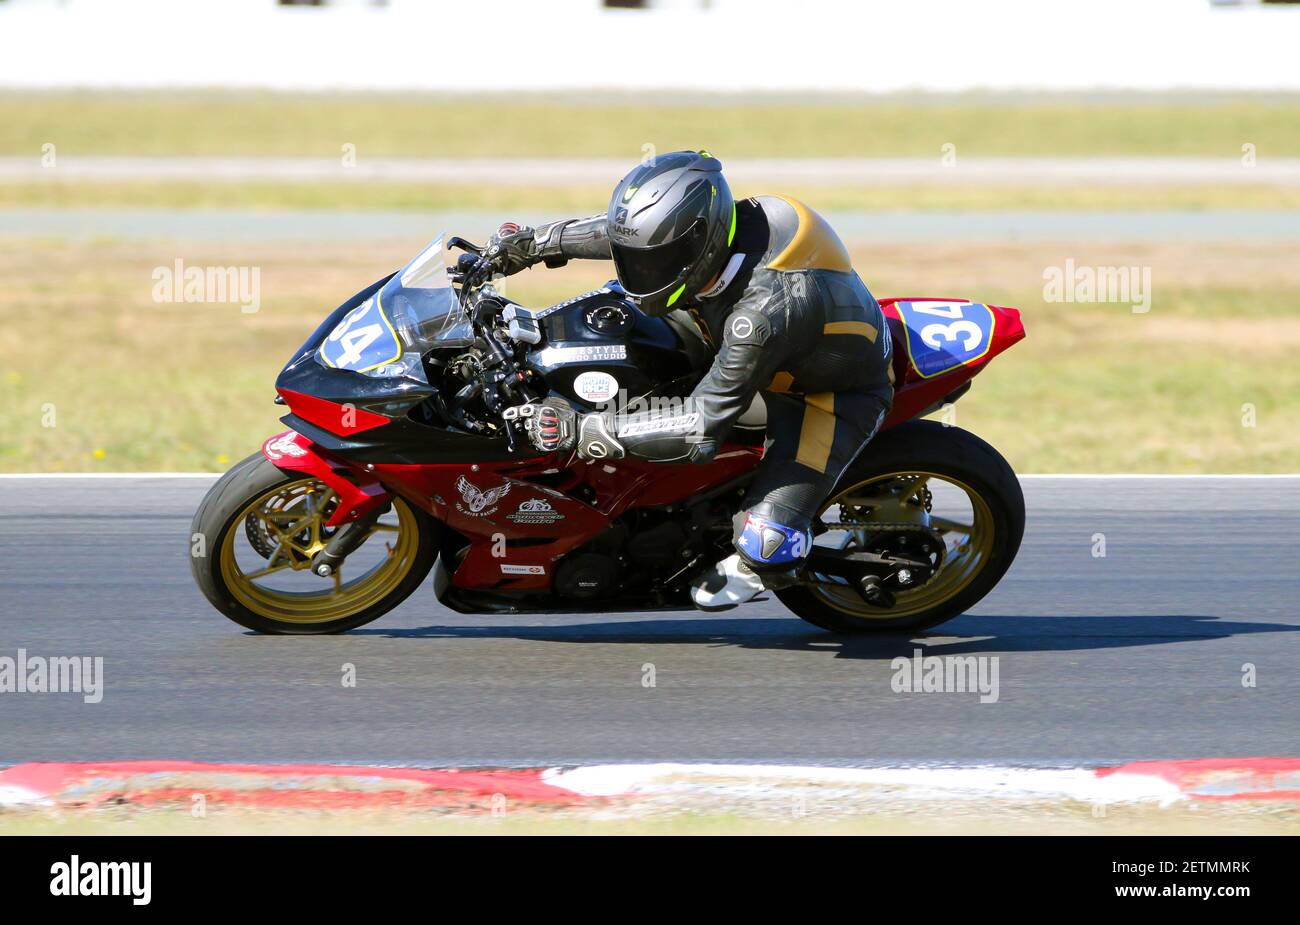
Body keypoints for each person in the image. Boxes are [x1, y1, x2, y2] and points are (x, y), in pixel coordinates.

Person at [485, 150, 894, 609]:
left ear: (701, 243)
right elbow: (628, 236)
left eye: (655, 263)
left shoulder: (760, 316)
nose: (642, 274)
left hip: (821, 394)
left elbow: (701, 428)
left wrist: (582, 432)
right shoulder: (706, 240)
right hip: (727, 330)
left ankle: (761, 563)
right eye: (639, 261)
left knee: (767, 542)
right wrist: (531, 244)